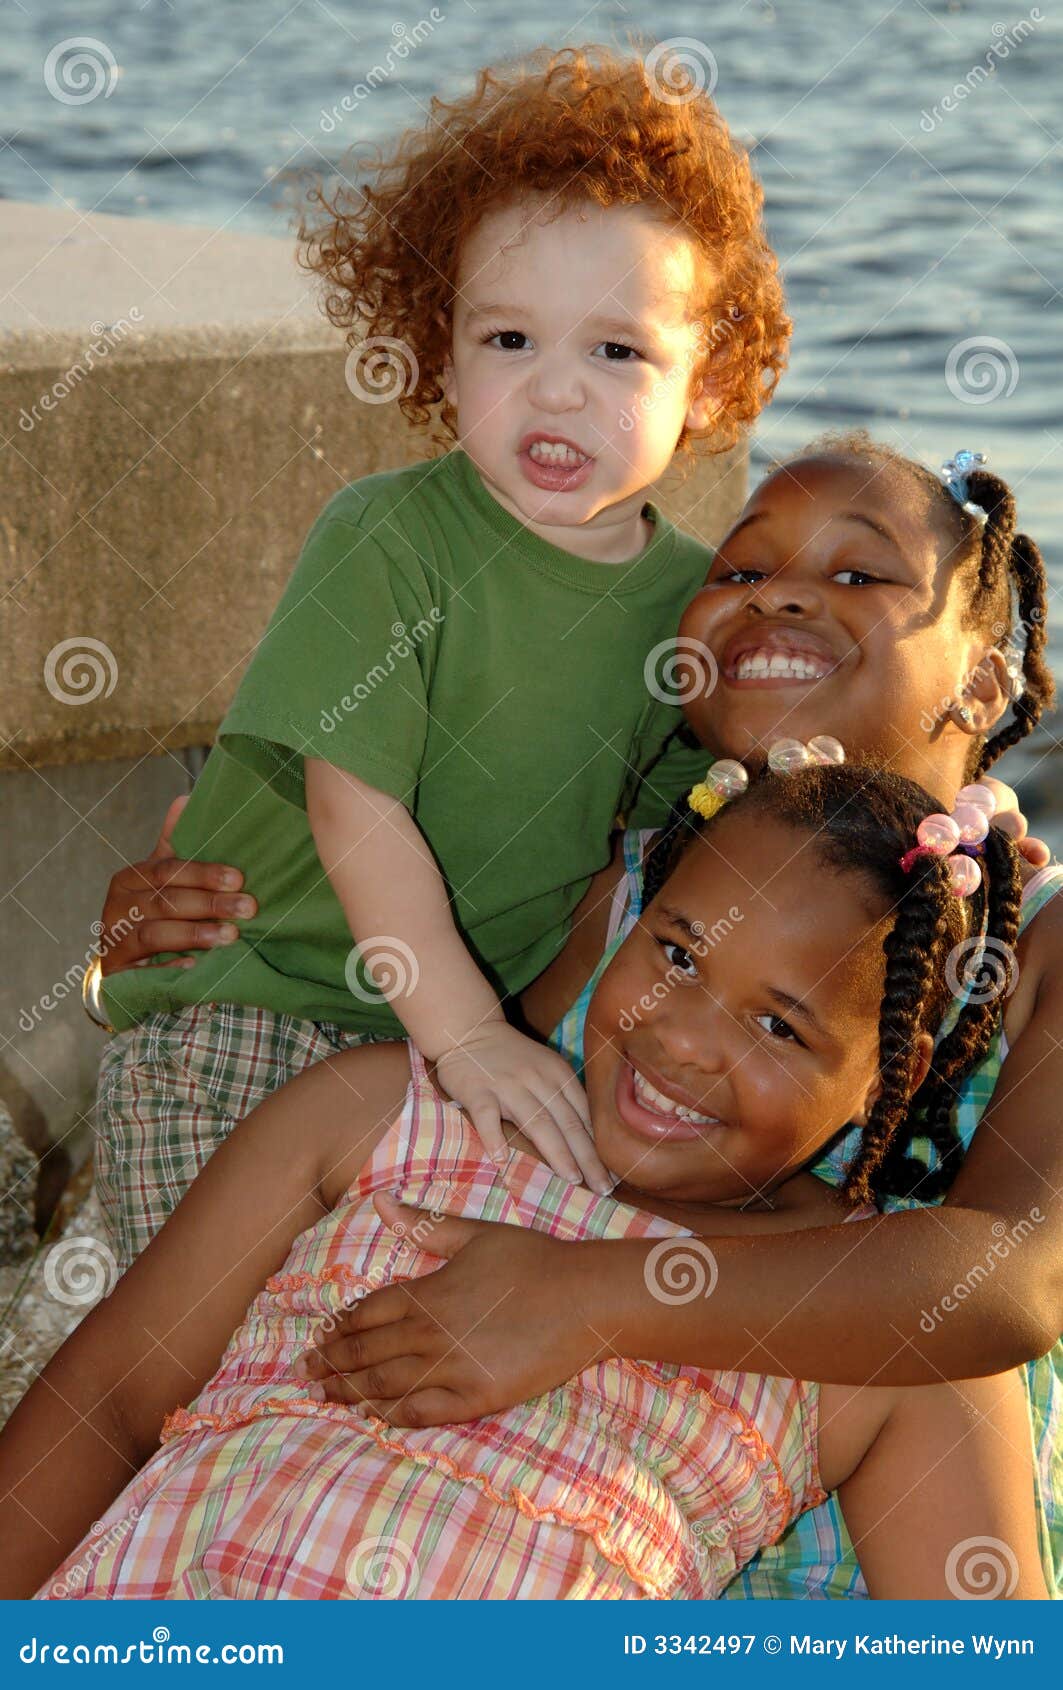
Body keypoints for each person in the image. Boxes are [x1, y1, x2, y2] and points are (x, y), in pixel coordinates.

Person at [96, 435, 1062, 1599]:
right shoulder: (615, 891)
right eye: (740, 572)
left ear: (984, 681)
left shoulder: (1035, 941)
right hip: (493, 1513)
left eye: (860, 576)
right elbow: (390, 1054)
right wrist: (169, 946)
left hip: (856, 1565)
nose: (785, 595)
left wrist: (593, 1296)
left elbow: (1015, 1281)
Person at [5, 761, 1048, 1601]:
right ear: (626, 925)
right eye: (677, 954)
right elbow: (108, 1399)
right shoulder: (385, 1117)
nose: (680, 1040)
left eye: (779, 1024)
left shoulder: (874, 1322)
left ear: (887, 1081)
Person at [90, 43, 790, 1266]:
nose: (556, 392)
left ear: (711, 375)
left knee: (440, 1340)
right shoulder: (389, 536)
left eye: (615, 352)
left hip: (449, 1052)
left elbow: (663, 847)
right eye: (508, 340)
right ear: (439, 343)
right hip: (245, 1014)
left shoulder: (688, 603)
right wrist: (468, 1036)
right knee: (222, 1328)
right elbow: (353, 802)